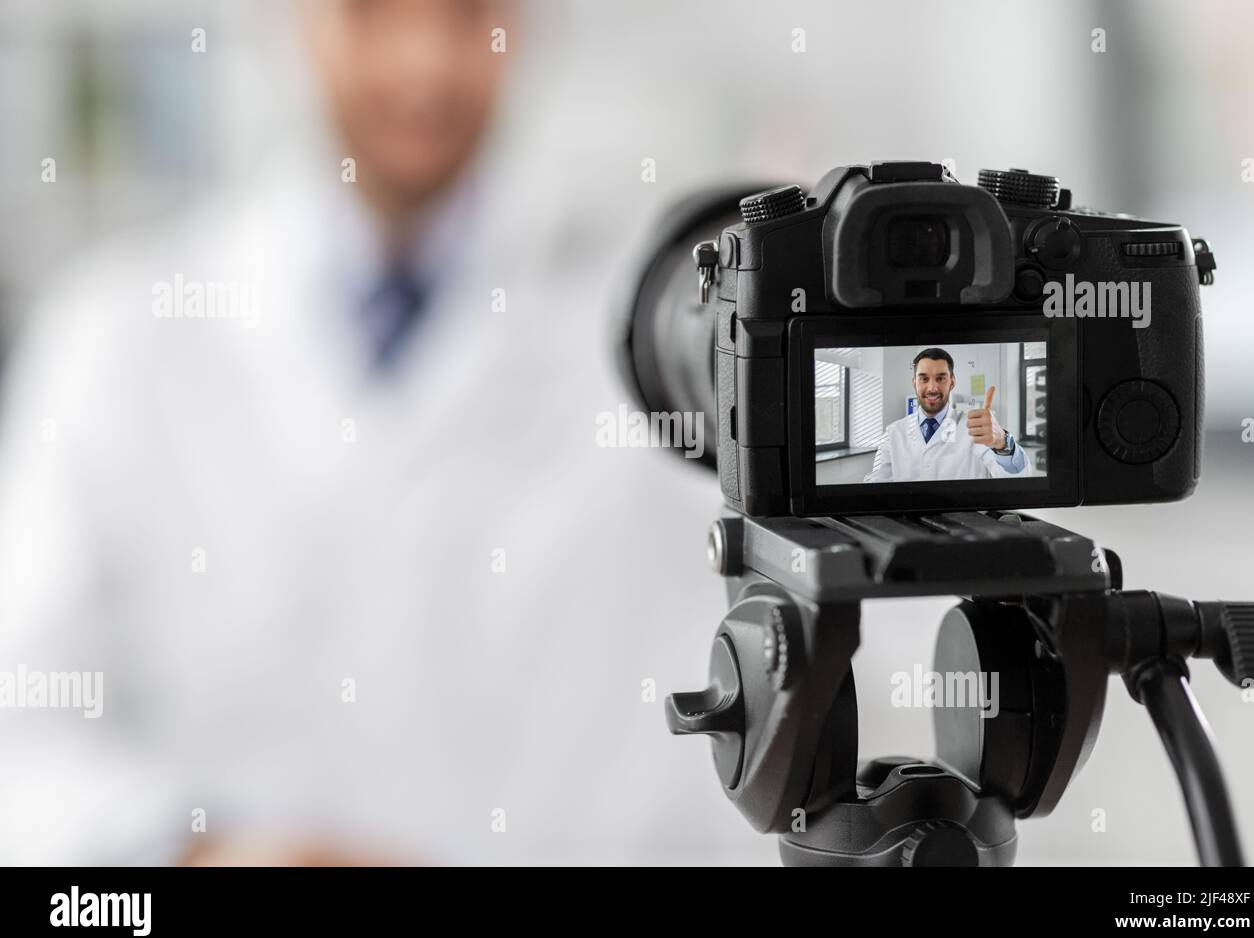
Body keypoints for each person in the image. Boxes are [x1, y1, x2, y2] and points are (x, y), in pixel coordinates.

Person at [0, 0, 745, 865]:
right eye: (371, 12)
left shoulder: (666, 341)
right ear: (295, 21)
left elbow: (790, 714)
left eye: (468, 15)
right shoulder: (115, 340)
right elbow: (20, 739)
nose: (424, 64)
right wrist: (199, 851)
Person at [865, 347, 1030, 483]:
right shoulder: (893, 432)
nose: (932, 388)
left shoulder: (975, 429)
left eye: (940, 378)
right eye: (924, 379)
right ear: (914, 383)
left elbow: (1018, 479)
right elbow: (876, 483)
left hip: (968, 521)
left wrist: (1002, 443)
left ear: (952, 382)